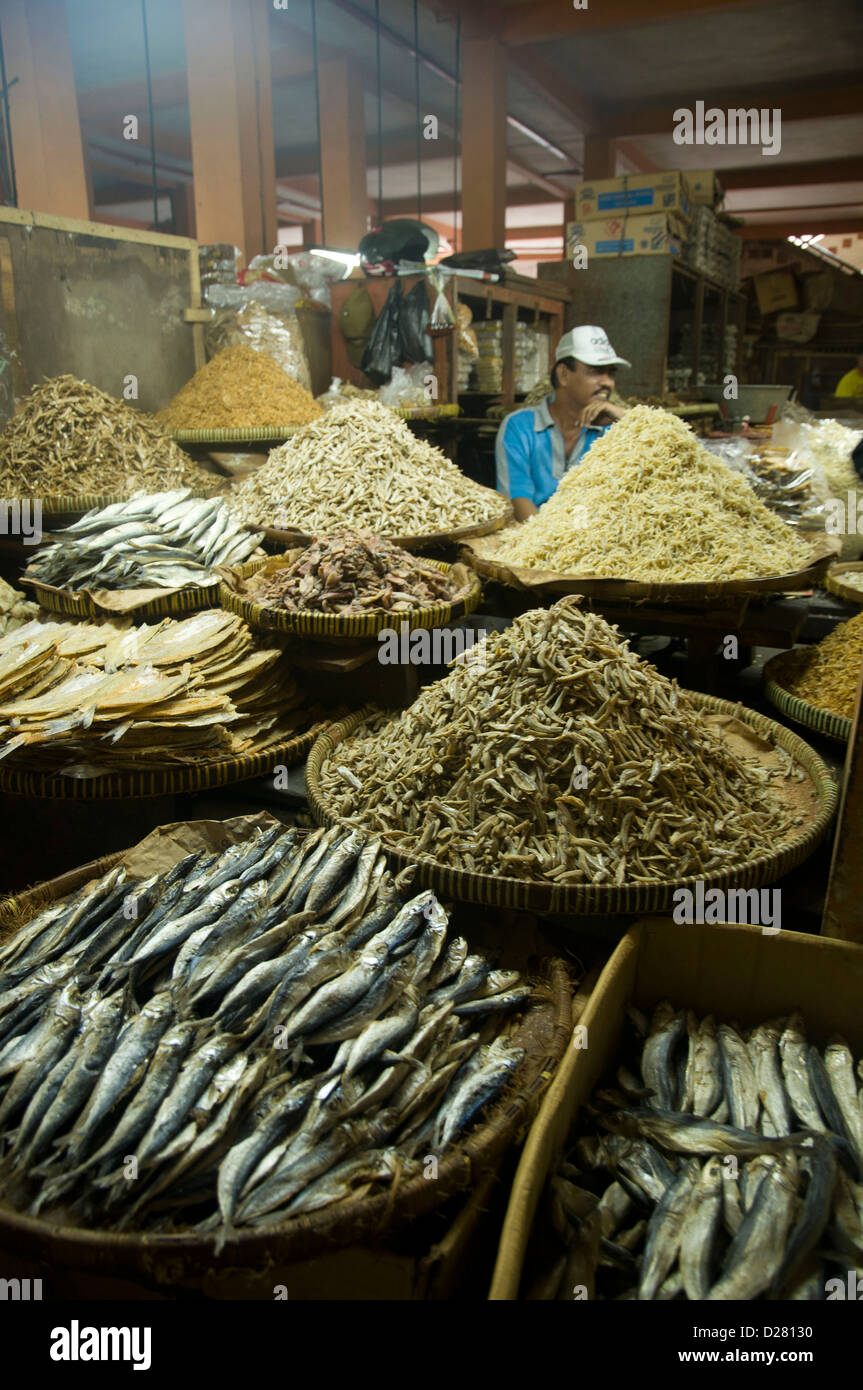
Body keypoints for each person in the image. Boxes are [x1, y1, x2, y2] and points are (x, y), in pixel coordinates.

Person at [495, 326, 630, 520]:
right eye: (596, 371)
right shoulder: (519, 426)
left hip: (596, 540)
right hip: (533, 537)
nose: (607, 382)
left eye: (611, 373)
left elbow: (682, 446)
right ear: (564, 374)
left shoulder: (615, 429)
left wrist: (626, 417)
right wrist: (553, 543)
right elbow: (518, 499)